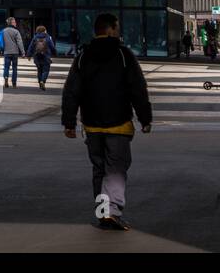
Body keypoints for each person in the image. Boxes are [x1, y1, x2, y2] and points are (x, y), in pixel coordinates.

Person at [61, 12, 153, 232]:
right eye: (117, 27)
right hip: (118, 123)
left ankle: (103, 213)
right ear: (110, 29)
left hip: (92, 124)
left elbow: (71, 91)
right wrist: (145, 118)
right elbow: (137, 89)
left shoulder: (83, 56)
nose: (119, 31)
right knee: (116, 169)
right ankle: (111, 210)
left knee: (99, 169)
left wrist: (69, 122)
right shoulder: (123, 55)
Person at [26, 24, 56, 90]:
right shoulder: (48, 37)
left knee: (39, 70)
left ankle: (40, 84)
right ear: (44, 31)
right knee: (46, 70)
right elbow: (52, 47)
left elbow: (31, 47)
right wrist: (54, 53)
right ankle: (43, 81)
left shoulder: (35, 37)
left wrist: (29, 55)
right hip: (46, 56)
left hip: (37, 56)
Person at [0, 17, 24, 87]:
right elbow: (20, 42)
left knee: (6, 67)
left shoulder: (3, 31)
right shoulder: (16, 31)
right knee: (14, 68)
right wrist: (23, 52)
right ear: (12, 23)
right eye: (15, 22)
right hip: (15, 53)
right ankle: (14, 83)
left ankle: (6, 79)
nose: (16, 23)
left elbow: (0, 42)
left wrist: (2, 50)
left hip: (6, 52)